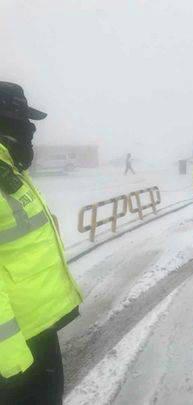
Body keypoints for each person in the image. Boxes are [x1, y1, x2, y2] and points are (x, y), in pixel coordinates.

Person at [0, 82, 83, 404]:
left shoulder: (9, 166)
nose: (30, 130)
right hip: (14, 345)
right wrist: (10, 359)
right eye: (23, 120)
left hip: (35, 326)